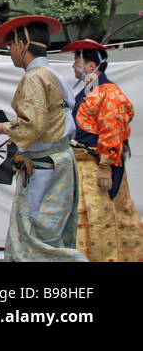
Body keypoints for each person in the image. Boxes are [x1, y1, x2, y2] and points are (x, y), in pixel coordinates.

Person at [0, 15, 86, 262]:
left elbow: (32, 126)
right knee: (49, 234)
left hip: (45, 168)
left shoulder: (35, 77)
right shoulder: (53, 75)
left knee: (33, 240)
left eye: (10, 46)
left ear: (22, 44)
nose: (10, 51)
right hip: (58, 163)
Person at [63, 37, 143, 261]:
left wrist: (106, 166)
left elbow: (113, 129)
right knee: (82, 220)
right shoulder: (85, 91)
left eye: (76, 60)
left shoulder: (109, 92)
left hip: (98, 167)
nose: (73, 65)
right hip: (80, 167)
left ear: (91, 65)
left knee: (107, 219)